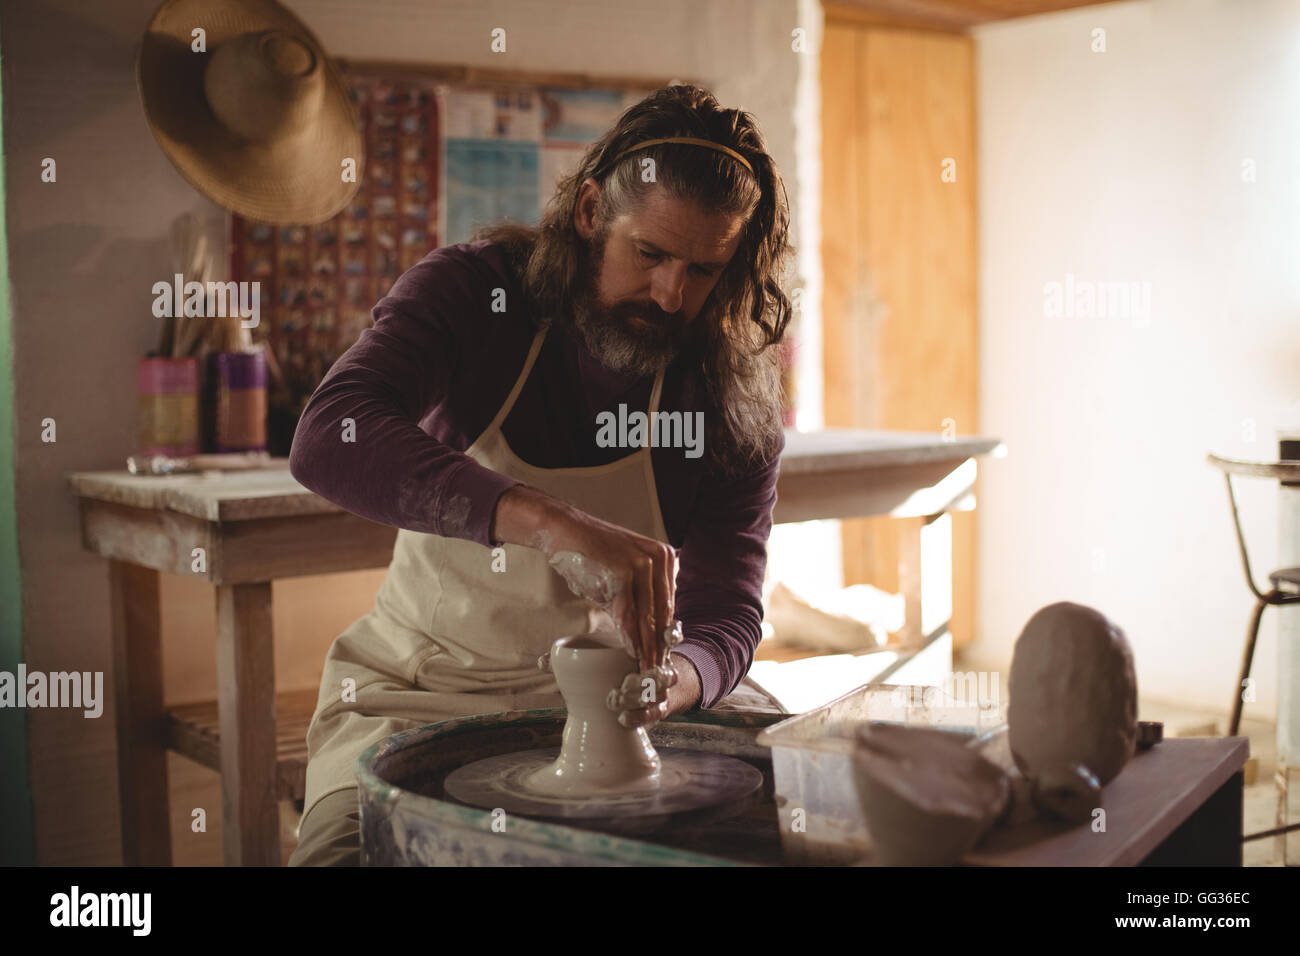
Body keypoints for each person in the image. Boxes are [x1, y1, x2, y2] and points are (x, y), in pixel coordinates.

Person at [287, 84, 793, 865]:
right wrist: (553, 523)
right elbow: (329, 435)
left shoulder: (725, 384)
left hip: (623, 709)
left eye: (704, 270)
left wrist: (681, 682)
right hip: (424, 686)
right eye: (650, 255)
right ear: (591, 212)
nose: (670, 295)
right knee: (346, 855)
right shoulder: (479, 296)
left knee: (795, 827)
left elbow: (727, 609)